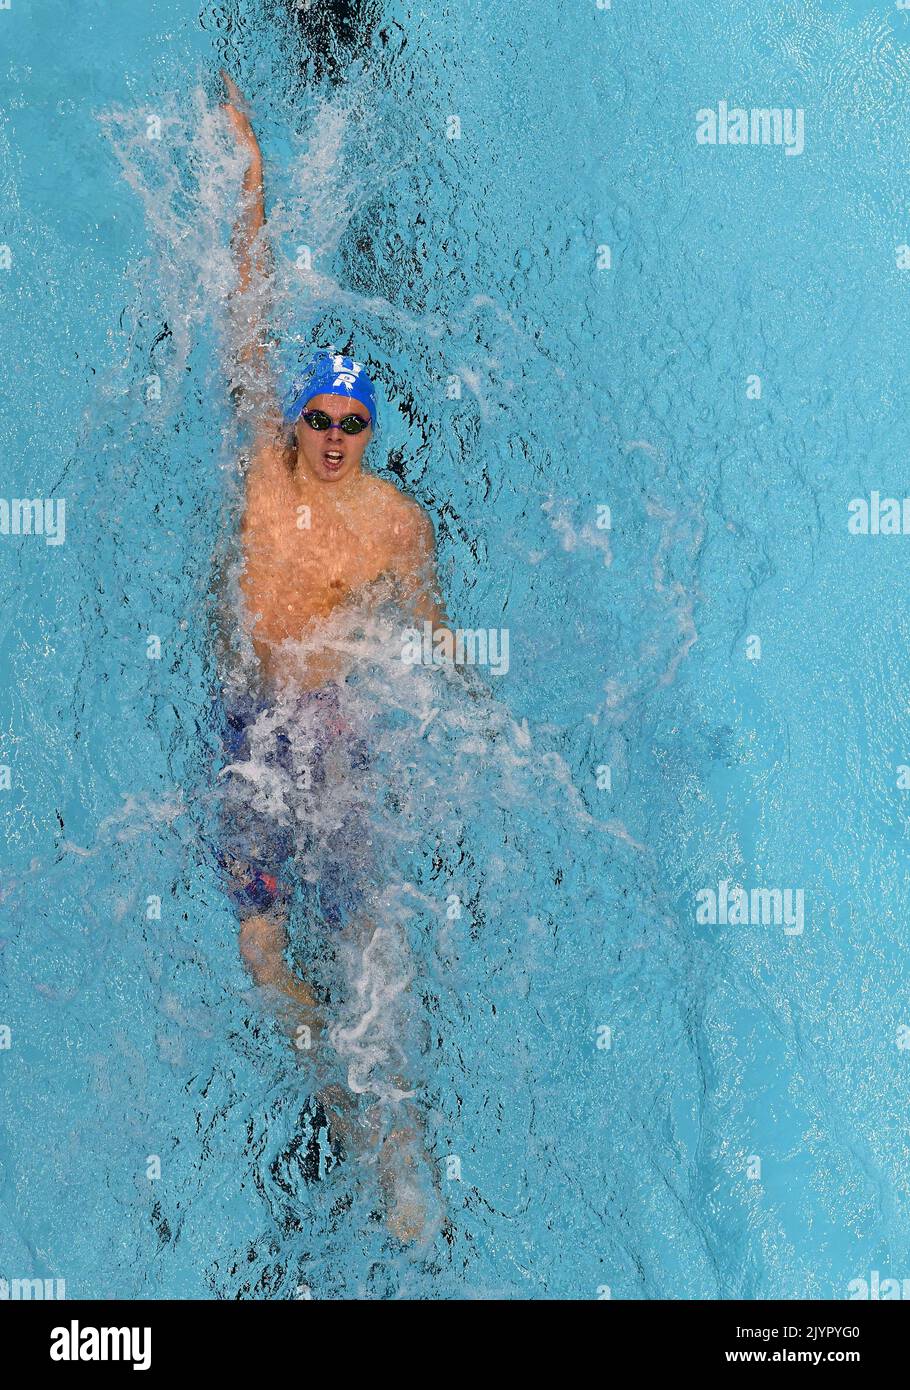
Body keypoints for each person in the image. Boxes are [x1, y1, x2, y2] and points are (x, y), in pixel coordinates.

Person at [218, 71, 450, 1241]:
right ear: (297, 417)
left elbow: (438, 654)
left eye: (352, 425)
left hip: (334, 726)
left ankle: (403, 1151)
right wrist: (248, 175)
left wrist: (460, 730)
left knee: (364, 931)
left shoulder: (396, 525)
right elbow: (243, 311)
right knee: (266, 960)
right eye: (319, 417)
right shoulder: (261, 468)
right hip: (247, 728)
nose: (330, 438)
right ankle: (352, 1119)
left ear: (372, 434)